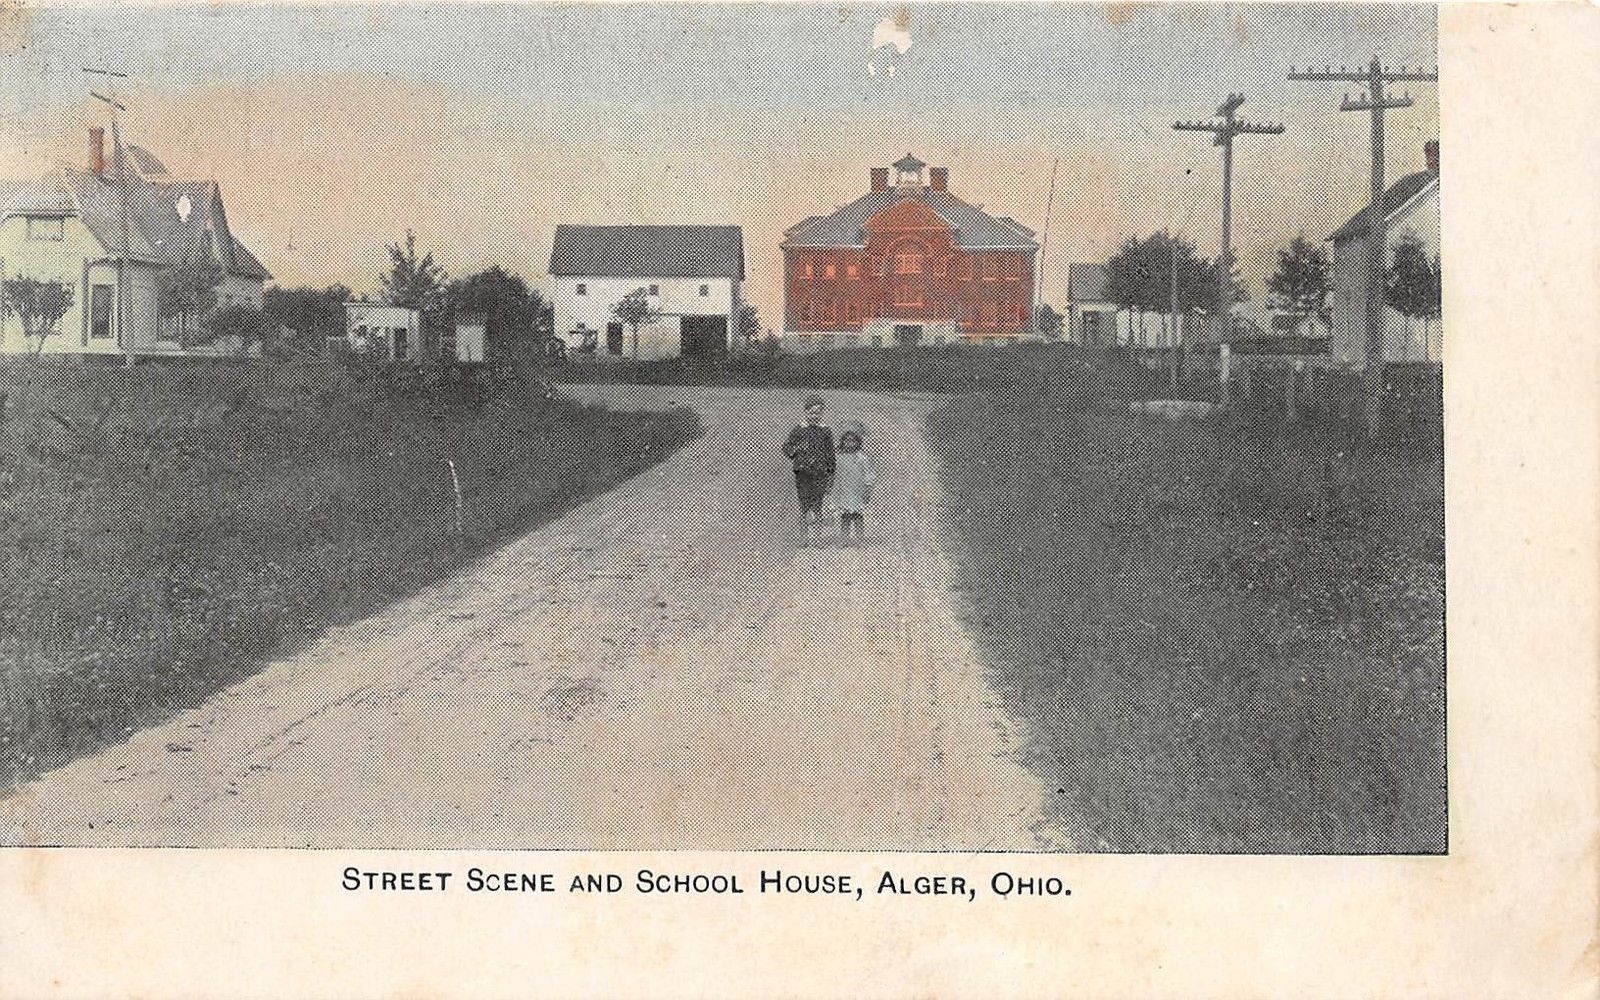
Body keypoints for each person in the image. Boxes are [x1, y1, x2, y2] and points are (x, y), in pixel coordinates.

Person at [782, 395, 835, 546]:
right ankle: (804, 538)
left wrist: (831, 473)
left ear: (822, 413)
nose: (814, 416)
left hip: (820, 473)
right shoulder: (799, 429)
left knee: (818, 506)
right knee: (804, 506)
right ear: (805, 412)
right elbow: (786, 447)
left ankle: (818, 539)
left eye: (818, 412)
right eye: (811, 412)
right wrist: (797, 450)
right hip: (803, 473)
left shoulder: (825, 431)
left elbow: (831, 454)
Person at [831, 426, 875, 545]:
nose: (849, 443)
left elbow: (869, 475)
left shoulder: (862, 457)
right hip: (844, 490)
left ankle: (860, 540)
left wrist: (867, 491)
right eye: (846, 440)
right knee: (845, 515)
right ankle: (844, 539)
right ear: (842, 442)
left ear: (858, 442)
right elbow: (834, 473)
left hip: (857, 491)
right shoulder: (838, 457)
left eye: (852, 440)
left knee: (857, 514)